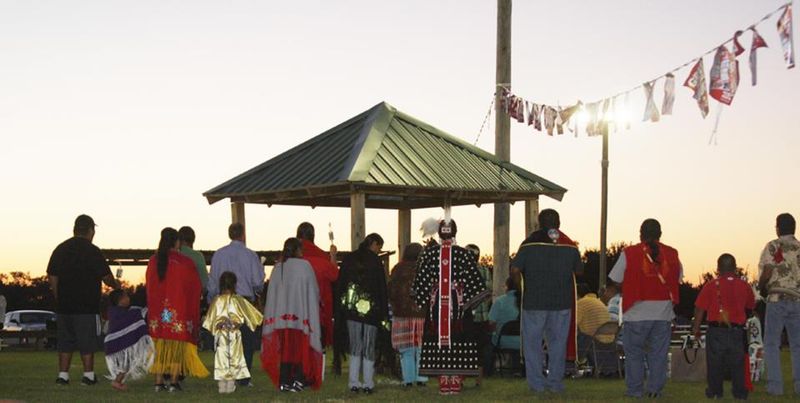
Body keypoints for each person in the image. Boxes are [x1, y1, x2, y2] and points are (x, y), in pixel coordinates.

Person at [413, 219, 490, 395]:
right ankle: (452, 379)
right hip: (455, 308)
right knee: (456, 340)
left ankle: (447, 380)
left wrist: (425, 297)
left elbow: (420, 284)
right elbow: (475, 284)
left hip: (442, 308)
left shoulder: (430, 254)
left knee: (450, 340)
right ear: (454, 232)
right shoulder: (463, 254)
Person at [511, 209, 583, 394]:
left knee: (533, 345)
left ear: (539, 223)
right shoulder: (570, 245)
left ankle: (537, 384)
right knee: (558, 345)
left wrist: (522, 290)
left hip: (534, 302)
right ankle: (555, 383)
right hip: (562, 303)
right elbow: (579, 271)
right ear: (558, 223)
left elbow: (515, 270)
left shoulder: (529, 244)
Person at [609, 219, 682, 399]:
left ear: (640, 233)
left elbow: (616, 279)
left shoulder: (629, 253)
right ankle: (655, 390)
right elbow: (677, 279)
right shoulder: (672, 253)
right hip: (663, 312)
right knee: (658, 354)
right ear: (660, 234)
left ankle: (635, 391)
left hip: (636, 311)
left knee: (634, 354)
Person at [47, 214, 119, 386]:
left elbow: (52, 275)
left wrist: (58, 296)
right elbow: (106, 277)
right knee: (87, 341)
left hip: (64, 305)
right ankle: (88, 375)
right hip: (87, 306)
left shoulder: (61, 249)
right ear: (91, 230)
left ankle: (63, 375)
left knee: (65, 341)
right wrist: (116, 285)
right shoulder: (92, 250)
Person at [146, 227, 209, 392]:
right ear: (177, 242)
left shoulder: (153, 261)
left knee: (160, 347)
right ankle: (173, 382)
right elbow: (195, 288)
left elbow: (150, 287)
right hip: (177, 311)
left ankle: (158, 383)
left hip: (158, 313)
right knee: (175, 346)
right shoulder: (185, 262)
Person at [207, 223, 265, 387]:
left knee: (224, 339)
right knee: (245, 340)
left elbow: (212, 280)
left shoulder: (219, 255)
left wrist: (211, 299)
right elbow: (257, 282)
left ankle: (226, 374)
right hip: (243, 300)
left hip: (223, 300)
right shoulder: (250, 255)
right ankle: (244, 378)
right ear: (243, 234)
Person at [261, 238, 323, 392]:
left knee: (286, 349)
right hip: (301, 316)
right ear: (297, 250)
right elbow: (314, 291)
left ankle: (284, 380)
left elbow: (271, 293)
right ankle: (298, 379)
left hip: (281, 318)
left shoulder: (278, 268)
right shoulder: (305, 266)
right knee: (299, 349)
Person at [693, 254, 756, 400]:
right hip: (737, 331)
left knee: (715, 363)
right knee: (738, 364)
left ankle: (715, 392)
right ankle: (740, 393)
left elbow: (700, 309)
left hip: (716, 331)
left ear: (718, 268)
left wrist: (696, 328)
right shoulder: (744, 285)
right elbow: (750, 307)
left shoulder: (710, 285)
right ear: (735, 268)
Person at [337, 233, 388, 394]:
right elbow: (382, 288)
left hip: (351, 311)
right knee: (368, 346)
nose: (379, 251)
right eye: (378, 247)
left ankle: (353, 382)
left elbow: (341, 285)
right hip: (372, 311)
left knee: (355, 346)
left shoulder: (349, 259)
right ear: (373, 244)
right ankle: (367, 382)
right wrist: (383, 313)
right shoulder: (375, 262)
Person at [758, 213, 800, 396]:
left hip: (776, 299)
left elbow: (767, 270)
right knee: (797, 345)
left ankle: (775, 387)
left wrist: (761, 287)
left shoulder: (773, 246)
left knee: (772, 344)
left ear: (777, 227)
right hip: (797, 300)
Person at [203, 271, 263, 394]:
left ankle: (222, 385)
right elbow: (253, 316)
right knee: (234, 358)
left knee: (221, 358)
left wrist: (218, 325)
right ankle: (230, 385)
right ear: (235, 285)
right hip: (235, 335)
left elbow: (210, 320)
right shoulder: (239, 300)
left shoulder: (217, 300)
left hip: (221, 335)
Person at [388, 242, 428, 387]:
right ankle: (421, 379)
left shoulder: (398, 269)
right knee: (421, 348)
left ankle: (408, 379)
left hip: (402, 314)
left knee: (406, 349)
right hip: (422, 314)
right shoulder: (425, 269)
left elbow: (391, 290)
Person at [296, 222, 338, 351]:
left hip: (294, 308)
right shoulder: (321, 256)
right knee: (317, 347)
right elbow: (335, 275)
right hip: (318, 310)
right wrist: (333, 256)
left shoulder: (290, 256)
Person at [104, 289, 154, 391]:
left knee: (125, 364)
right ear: (121, 300)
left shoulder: (113, 311)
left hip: (113, 344)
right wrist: (143, 310)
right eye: (126, 297)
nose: (129, 299)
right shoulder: (123, 313)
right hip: (119, 344)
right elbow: (135, 316)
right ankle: (117, 382)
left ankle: (118, 381)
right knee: (124, 365)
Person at [465, 243, 493, 381]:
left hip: (465, 317)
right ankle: (478, 380)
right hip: (482, 317)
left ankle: (462, 378)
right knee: (479, 349)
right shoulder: (485, 270)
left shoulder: (460, 271)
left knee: (463, 348)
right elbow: (488, 292)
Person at [489, 277, 521, 371]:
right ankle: (517, 368)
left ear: (507, 287)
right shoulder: (524, 302)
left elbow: (491, 322)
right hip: (523, 341)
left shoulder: (500, 301)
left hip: (502, 341)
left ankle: (489, 368)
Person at [178, 226, 209, 291]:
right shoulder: (198, 256)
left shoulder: (174, 256)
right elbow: (205, 283)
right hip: (193, 295)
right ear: (193, 240)